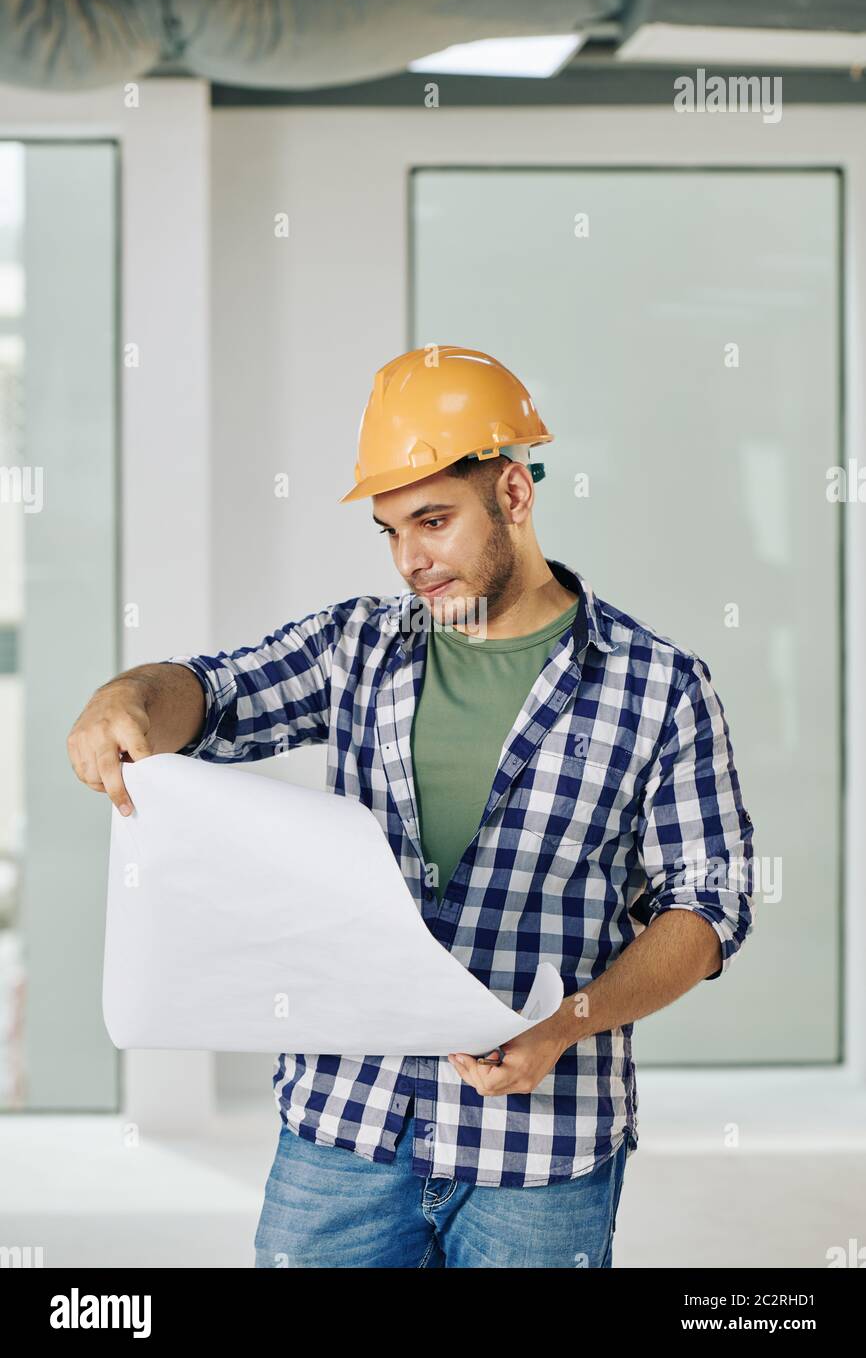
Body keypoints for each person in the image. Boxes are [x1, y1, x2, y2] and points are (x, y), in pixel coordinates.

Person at [67, 345, 755, 1269]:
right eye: (390, 531)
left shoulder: (659, 687)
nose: (410, 560)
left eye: (433, 521)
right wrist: (128, 699)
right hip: (343, 1127)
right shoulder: (357, 646)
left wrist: (567, 1022)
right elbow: (212, 694)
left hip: (539, 1145)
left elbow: (708, 908)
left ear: (514, 494)